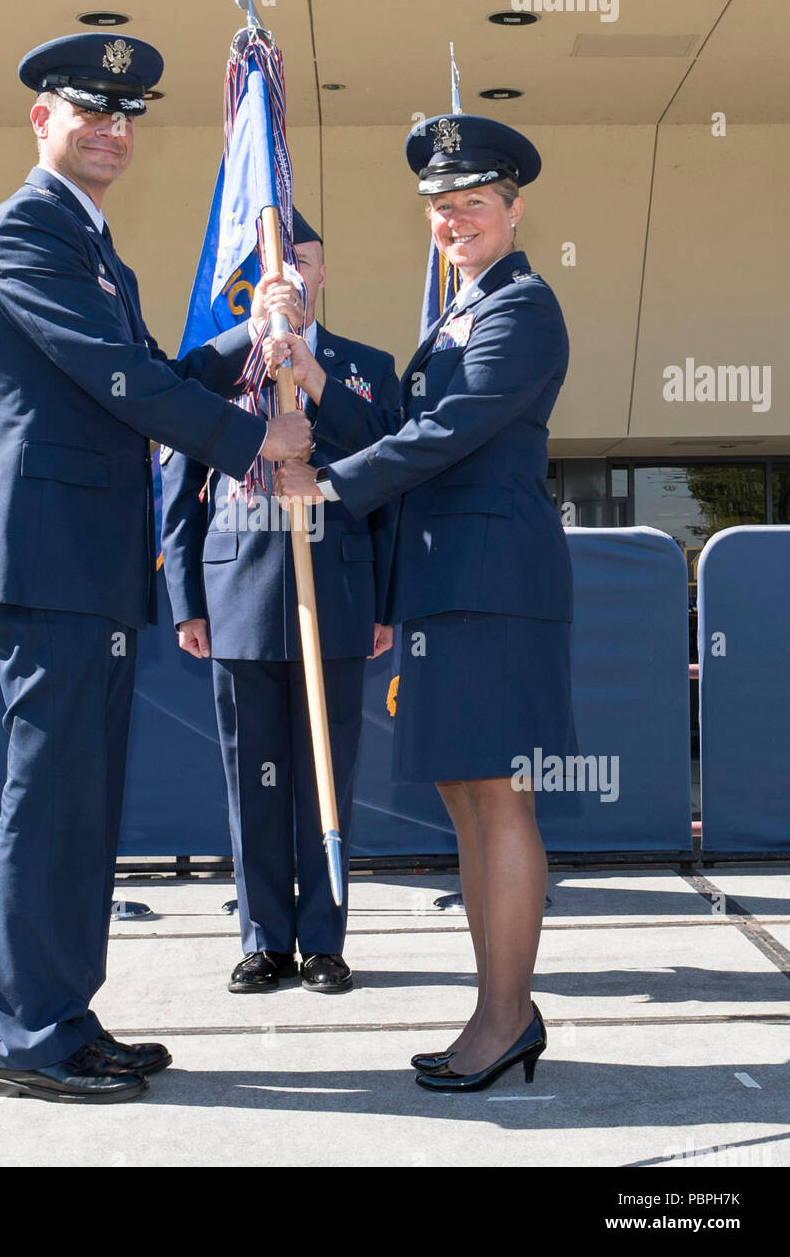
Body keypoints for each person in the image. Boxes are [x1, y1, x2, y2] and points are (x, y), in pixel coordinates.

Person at [0, 33, 312, 1104]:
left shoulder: (93, 243)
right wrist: (255, 442)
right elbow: (115, 378)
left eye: (126, 115)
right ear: (40, 120)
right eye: (88, 109)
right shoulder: (26, 232)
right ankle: (25, 1035)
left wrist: (253, 340)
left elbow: (151, 369)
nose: (111, 128)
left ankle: (64, 1014)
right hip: (45, 563)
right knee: (49, 799)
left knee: (80, 803)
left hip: (87, 564)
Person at [272, 113, 577, 1093]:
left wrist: (328, 486)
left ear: (513, 208)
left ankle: (504, 1019)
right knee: (463, 799)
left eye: (471, 204)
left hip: (491, 584)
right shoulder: (456, 312)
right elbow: (402, 423)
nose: (453, 221)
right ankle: (495, 1011)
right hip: (446, 581)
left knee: (499, 796)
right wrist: (305, 363)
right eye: (440, 209)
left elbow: (449, 430)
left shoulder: (518, 309)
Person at [160, 213, 399, 994]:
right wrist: (186, 599)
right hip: (239, 593)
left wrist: (386, 603)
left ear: (323, 271)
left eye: (302, 257)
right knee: (255, 776)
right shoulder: (209, 367)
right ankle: (264, 939)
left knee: (327, 774)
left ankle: (325, 941)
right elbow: (178, 488)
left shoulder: (366, 368)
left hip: (335, 590)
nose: (289, 270)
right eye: (274, 260)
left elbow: (390, 470)